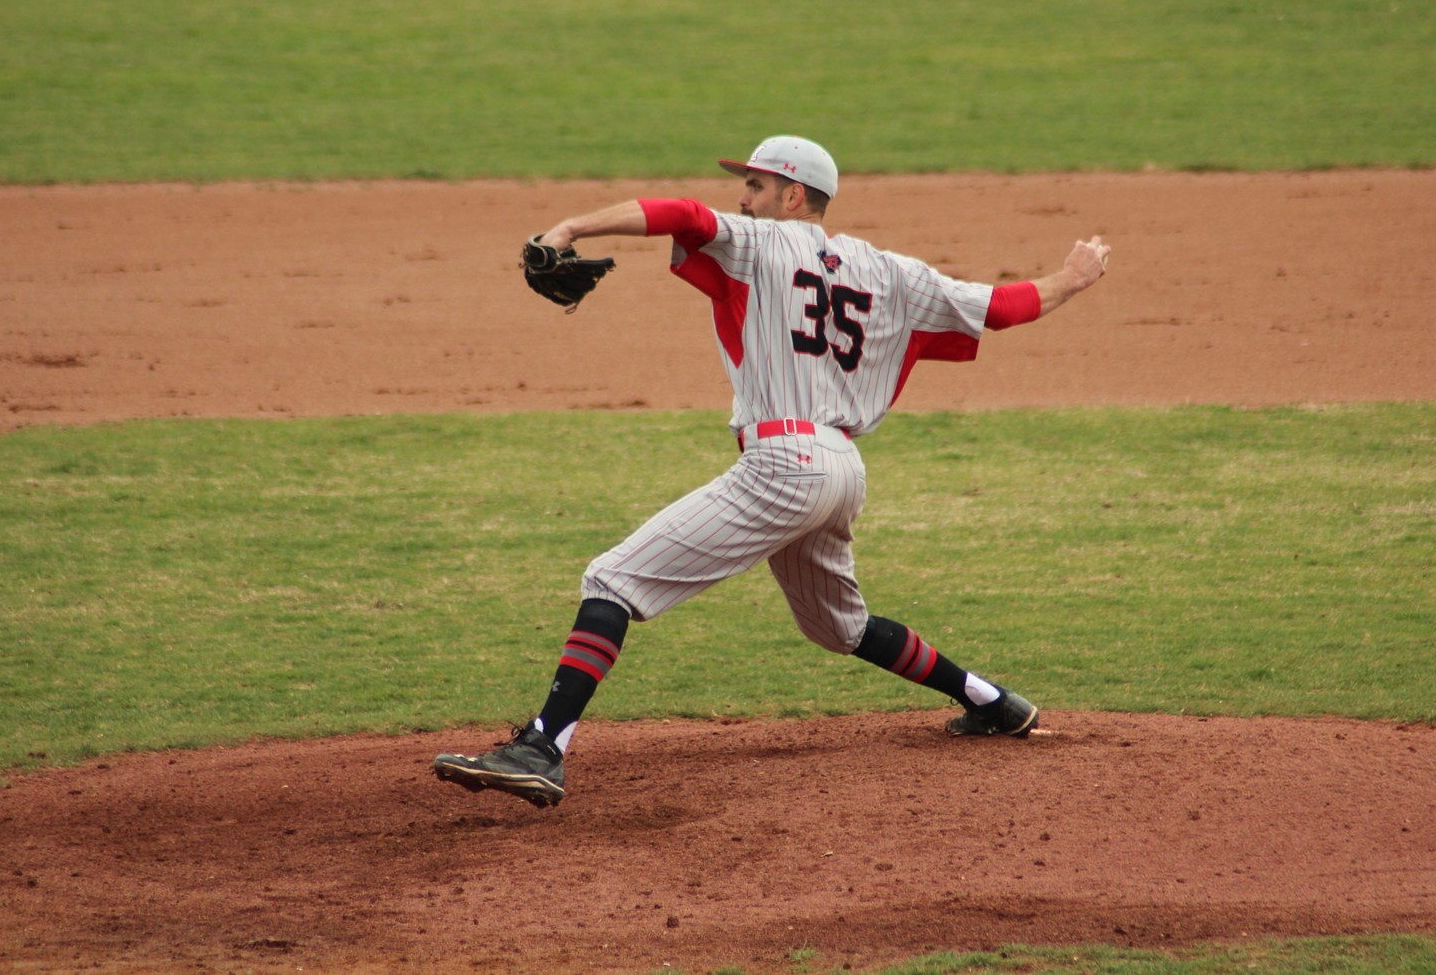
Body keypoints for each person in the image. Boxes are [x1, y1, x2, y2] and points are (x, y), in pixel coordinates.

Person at [433, 136, 1110, 808]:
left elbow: (683, 215)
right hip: (842, 469)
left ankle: (542, 747)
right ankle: (992, 701)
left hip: (783, 465)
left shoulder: (760, 242)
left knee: (611, 579)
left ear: (793, 197)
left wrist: (571, 227)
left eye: (755, 186)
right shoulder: (889, 272)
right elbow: (1000, 307)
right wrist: (1072, 278)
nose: (742, 198)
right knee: (840, 629)